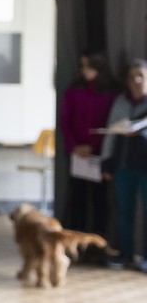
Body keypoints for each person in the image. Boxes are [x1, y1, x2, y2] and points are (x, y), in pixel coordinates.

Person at [59, 52, 117, 238]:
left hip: (99, 153)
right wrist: (74, 146)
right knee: (77, 199)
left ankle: (98, 241)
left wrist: (92, 146)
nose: (85, 70)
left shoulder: (110, 92)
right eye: (82, 66)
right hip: (77, 153)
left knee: (100, 199)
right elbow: (65, 120)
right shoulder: (74, 90)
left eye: (89, 66)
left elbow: (110, 123)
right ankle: (76, 240)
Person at [100, 58, 147, 271]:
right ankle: (125, 254)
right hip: (123, 167)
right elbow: (110, 133)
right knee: (124, 212)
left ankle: (144, 257)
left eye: (141, 76)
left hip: (145, 168)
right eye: (133, 77)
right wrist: (106, 162)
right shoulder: (120, 102)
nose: (137, 80)